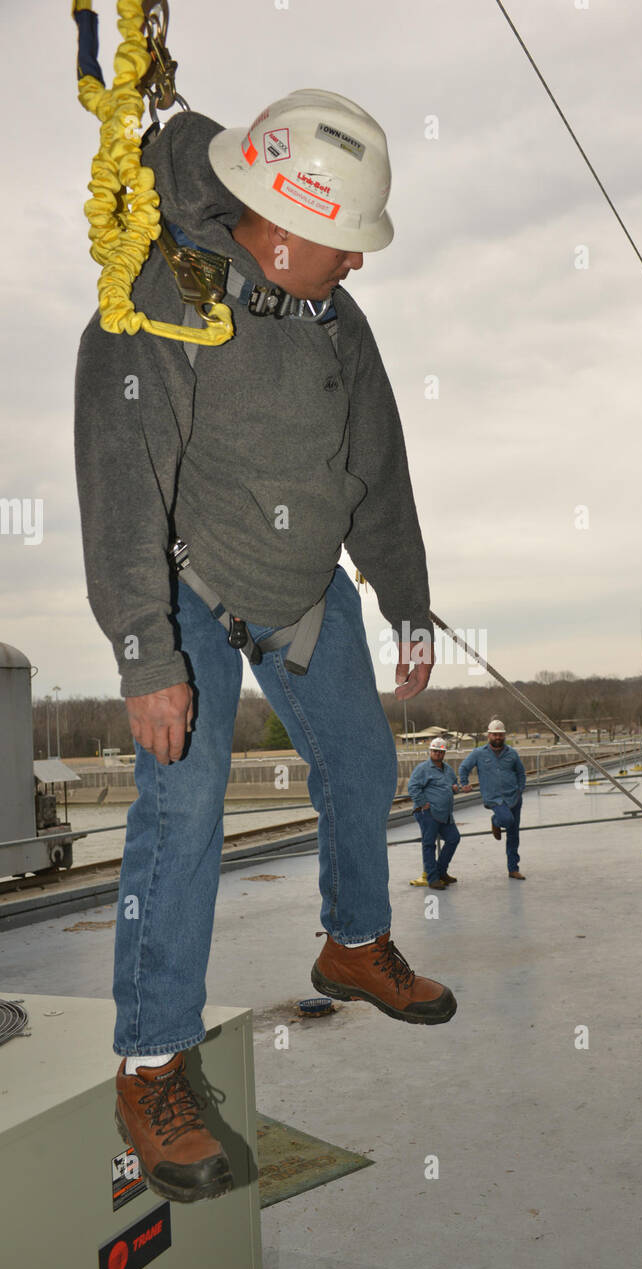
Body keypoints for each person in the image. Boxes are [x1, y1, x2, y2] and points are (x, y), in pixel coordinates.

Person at [74, 92, 457, 1204]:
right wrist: (148, 654)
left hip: (300, 586)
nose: (357, 266)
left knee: (365, 761)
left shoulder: (335, 320)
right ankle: (152, 1064)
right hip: (186, 582)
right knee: (181, 806)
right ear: (283, 227)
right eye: (345, 245)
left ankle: (352, 941)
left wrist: (404, 597)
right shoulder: (157, 299)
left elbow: (377, 457)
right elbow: (118, 485)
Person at [458, 720, 527, 879]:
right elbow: (464, 768)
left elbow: (521, 773)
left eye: (500, 734)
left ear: (504, 735)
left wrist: (520, 790)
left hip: (514, 798)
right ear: (489, 735)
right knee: (505, 820)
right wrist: (464, 783)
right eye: (494, 734)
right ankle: (495, 821)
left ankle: (513, 869)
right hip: (494, 798)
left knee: (513, 835)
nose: (497, 737)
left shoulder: (512, 753)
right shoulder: (479, 753)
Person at [407, 737, 466, 889]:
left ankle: (441, 872)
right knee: (429, 845)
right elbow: (413, 787)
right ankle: (433, 879)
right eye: (435, 751)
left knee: (454, 838)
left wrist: (456, 788)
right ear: (430, 752)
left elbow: (454, 784)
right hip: (429, 814)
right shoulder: (423, 769)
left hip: (445, 814)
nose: (438, 754)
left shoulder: (448, 769)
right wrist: (422, 803)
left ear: (444, 753)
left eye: (440, 752)